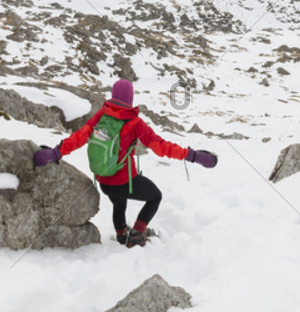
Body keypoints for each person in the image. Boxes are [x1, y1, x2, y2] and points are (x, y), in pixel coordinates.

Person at [33, 79, 216, 247]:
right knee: (155, 197)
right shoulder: (135, 123)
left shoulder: (102, 115)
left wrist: (55, 153)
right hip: (123, 181)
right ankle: (136, 235)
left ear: (113, 96)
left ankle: (121, 234)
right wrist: (192, 156)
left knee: (119, 203)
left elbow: (79, 136)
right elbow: (161, 146)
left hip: (103, 180)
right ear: (130, 99)